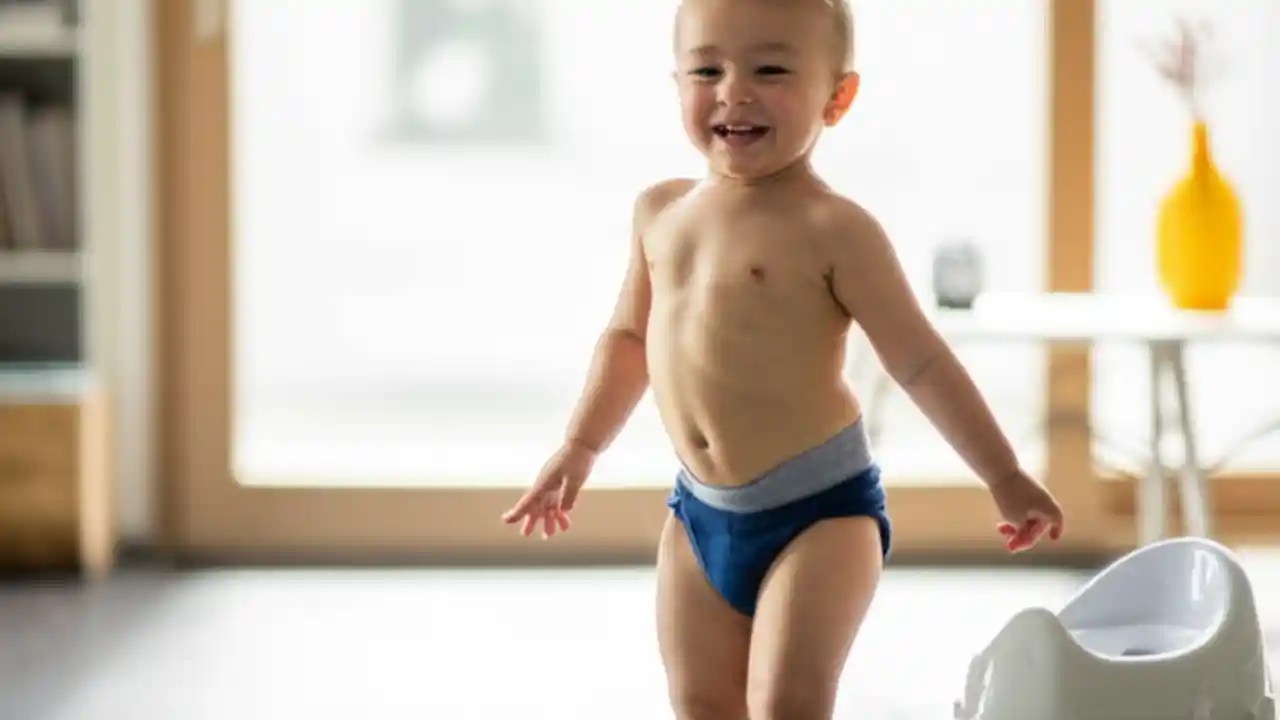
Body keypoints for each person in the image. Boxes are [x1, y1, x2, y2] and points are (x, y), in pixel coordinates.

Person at [501, 0, 1066, 717]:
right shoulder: (661, 212)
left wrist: (1005, 474)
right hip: (700, 512)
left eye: (769, 69)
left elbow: (921, 362)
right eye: (707, 69)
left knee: (786, 703)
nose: (734, 90)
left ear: (838, 97)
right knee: (702, 701)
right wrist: (578, 447)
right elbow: (629, 340)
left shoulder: (835, 229)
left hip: (820, 516)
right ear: (676, 81)